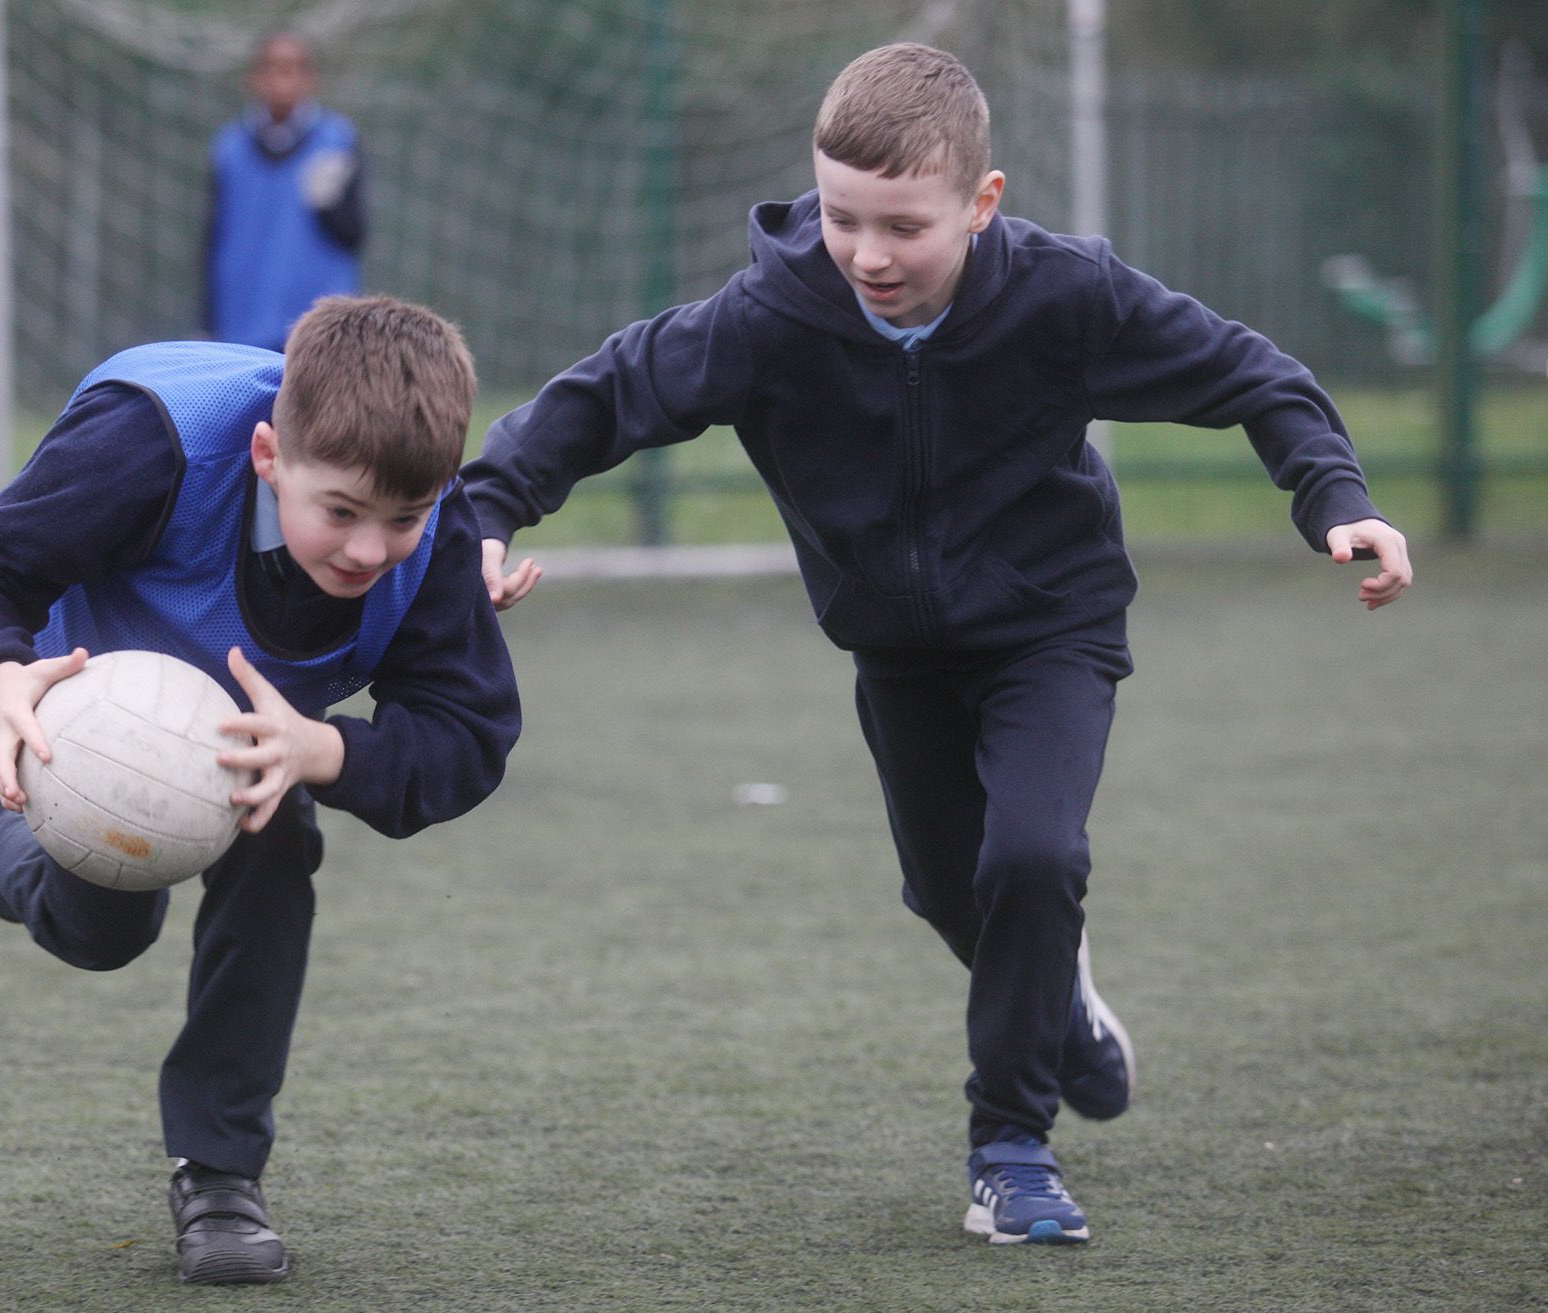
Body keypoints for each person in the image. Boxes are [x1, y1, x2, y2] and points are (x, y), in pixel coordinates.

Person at [465, 43, 1411, 1246]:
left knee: (1034, 856)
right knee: (951, 891)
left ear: (982, 202)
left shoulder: (1066, 297)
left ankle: (1011, 1150)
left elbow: (1251, 374)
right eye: (842, 218)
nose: (866, 254)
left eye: (903, 226)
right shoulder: (771, 317)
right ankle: (1057, 1007)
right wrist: (489, 508)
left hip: (1052, 626)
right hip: (897, 652)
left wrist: (1336, 498)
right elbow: (606, 395)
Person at [0, 295, 520, 1285]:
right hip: (92, 698)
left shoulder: (438, 530)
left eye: (402, 520)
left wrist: (322, 750)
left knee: (278, 836)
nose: (369, 550)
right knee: (102, 934)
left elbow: (470, 732)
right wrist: (0, 674)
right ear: (267, 455)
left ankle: (221, 1173)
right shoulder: (146, 443)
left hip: (255, 733)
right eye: (341, 512)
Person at [205, 30, 367, 351]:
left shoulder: (338, 142)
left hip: (318, 334)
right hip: (243, 326)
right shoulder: (229, 149)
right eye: (273, 68)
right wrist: (207, 322)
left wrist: (329, 206)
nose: (282, 79)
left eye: (292, 69)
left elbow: (355, 235)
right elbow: (212, 239)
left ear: (310, 79)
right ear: (254, 78)